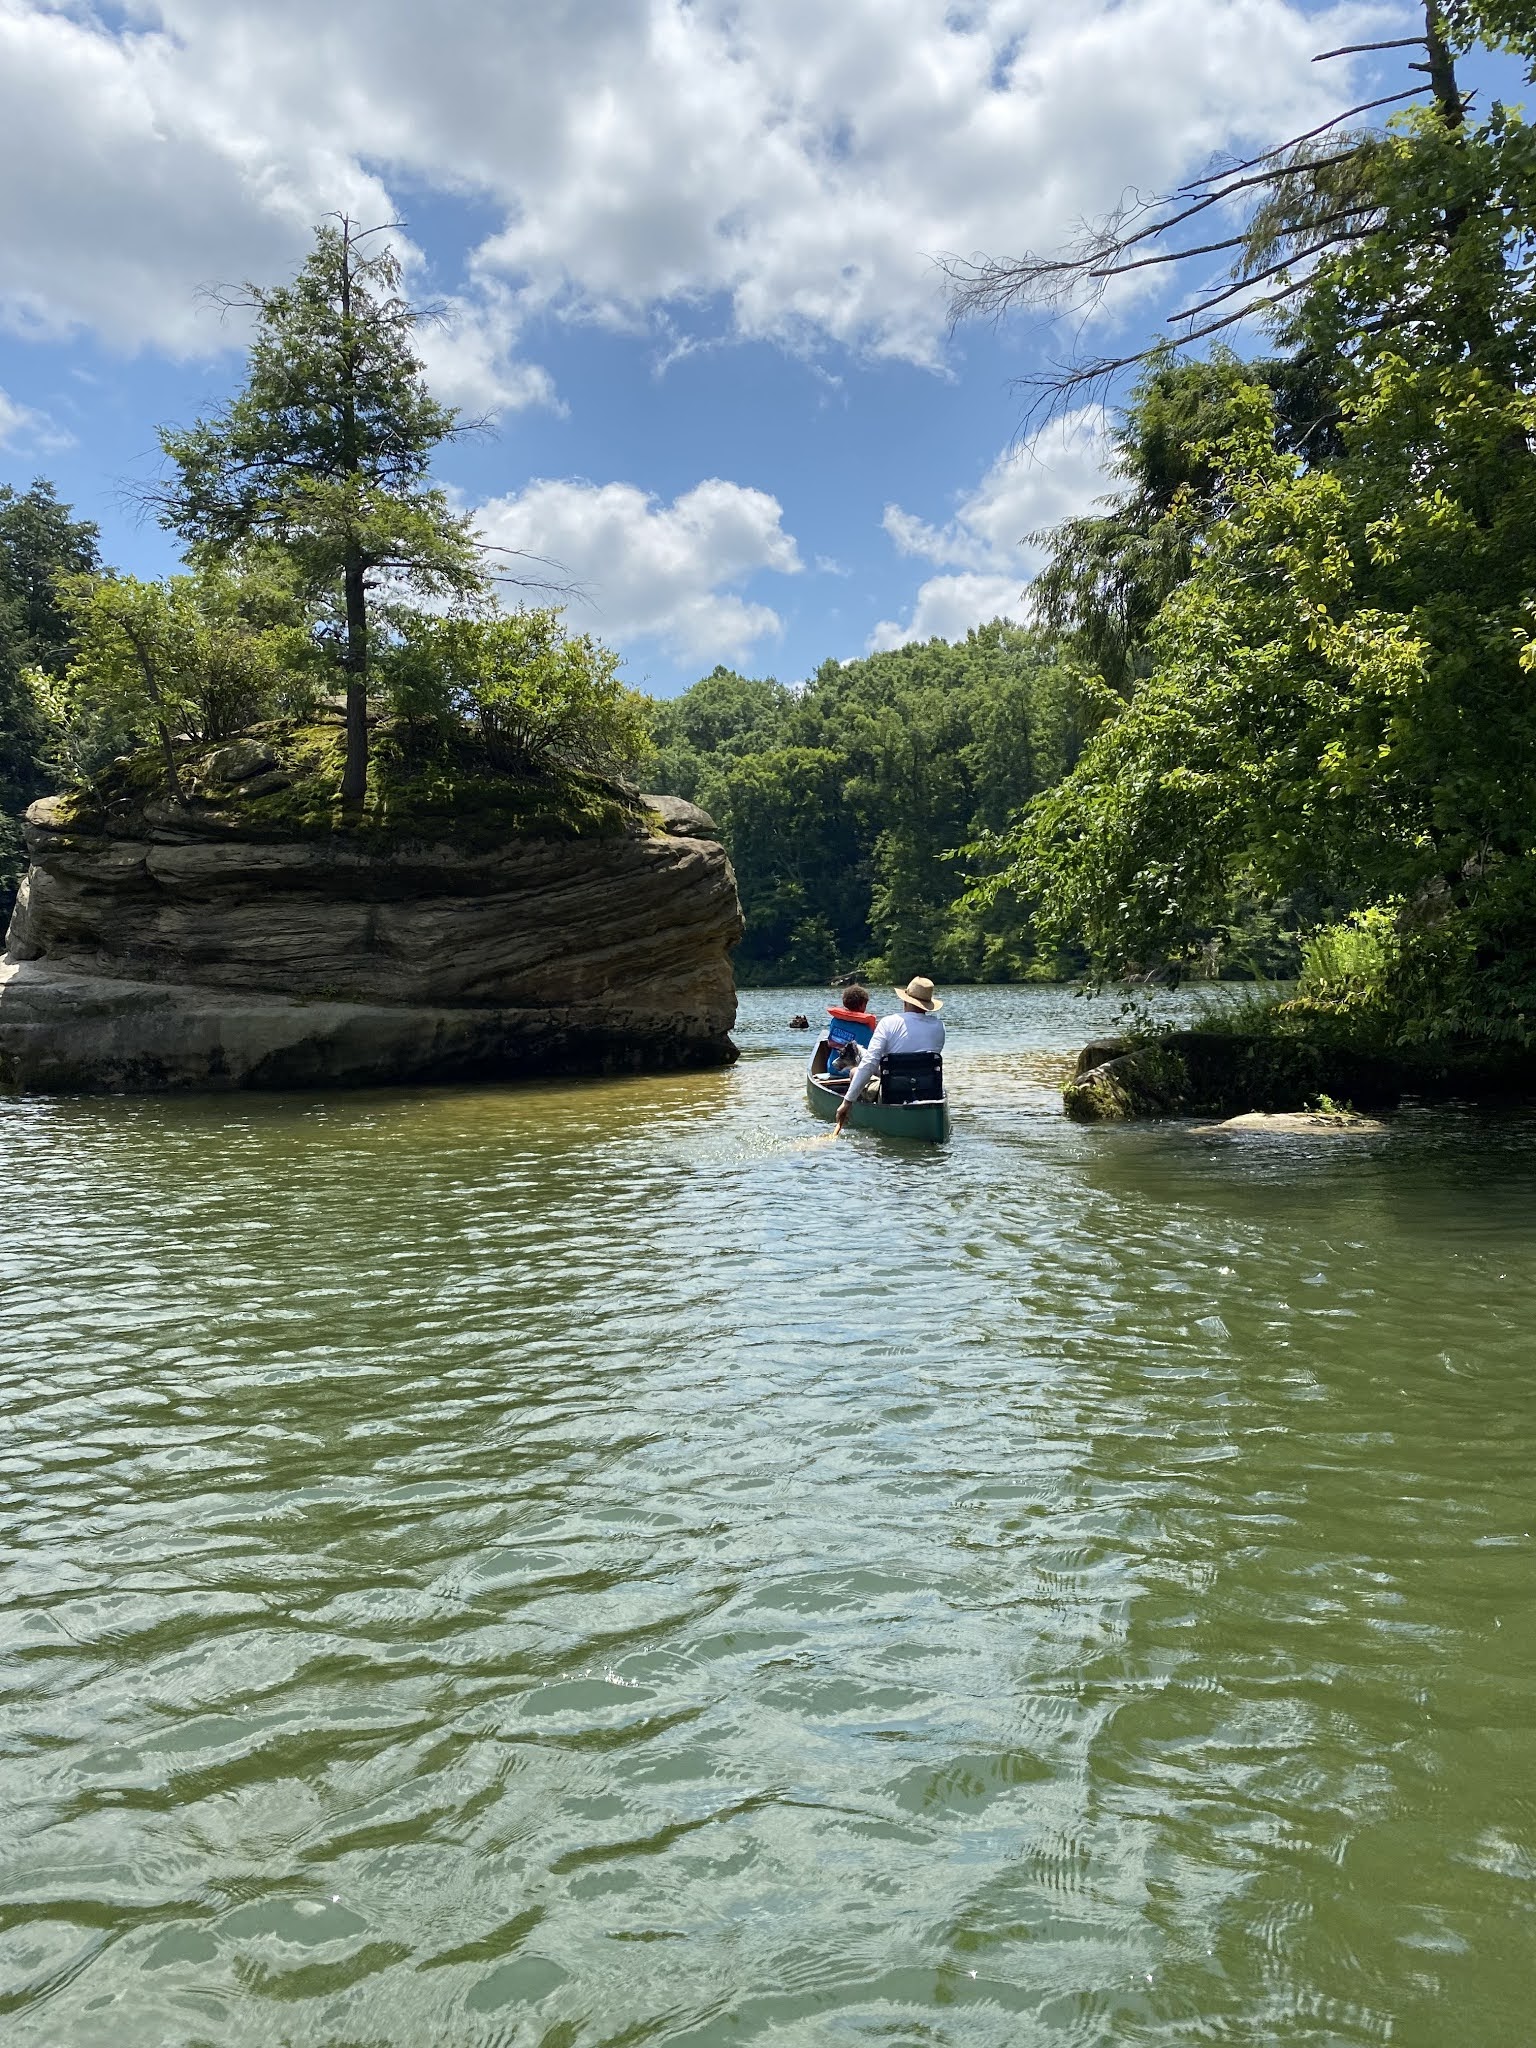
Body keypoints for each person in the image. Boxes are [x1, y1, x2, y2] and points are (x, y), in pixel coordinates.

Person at [834, 976, 944, 1127]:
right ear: (927, 1005)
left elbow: (869, 1063)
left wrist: (847, 1102)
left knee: (854, 1072)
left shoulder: (888, 1023)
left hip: (892, 1094)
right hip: (928, 1091)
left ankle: (865, 1119)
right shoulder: (939, 1027)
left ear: (905, 1001)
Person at [823, 984, 879, 1073]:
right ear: (862, 1005)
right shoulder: (867, 1027)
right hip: (857, 1073)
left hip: (833, 1070)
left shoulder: (835, 1021)